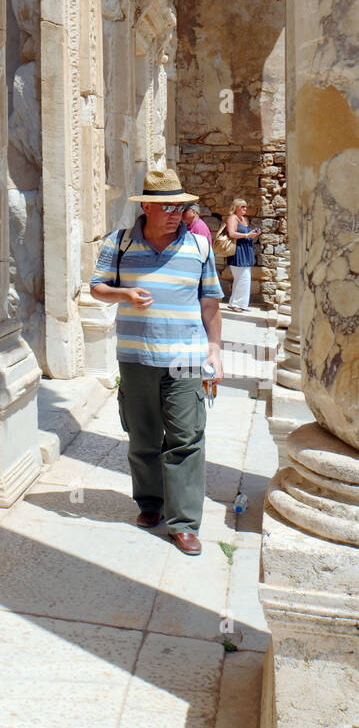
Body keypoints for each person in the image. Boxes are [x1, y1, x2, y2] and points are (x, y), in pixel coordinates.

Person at [90, 168, 224, 556]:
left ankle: (183, 523)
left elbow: (210, 303)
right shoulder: (118, 243)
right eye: (166, 206)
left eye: (181, 207)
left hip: (185, 359)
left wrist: (214, 349)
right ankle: (150, 505)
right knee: (143, 436)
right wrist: (125, 295)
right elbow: (97, 288)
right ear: (146, 206)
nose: (175, 213)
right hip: (135, 357)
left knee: (186, 436)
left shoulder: (199, 248)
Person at [225, 197, 260, 312]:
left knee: (242, 278)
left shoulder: (244, 219)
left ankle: (235, 303)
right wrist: (246, 235)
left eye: (246, 206)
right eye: (242, 207)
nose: (245, 209)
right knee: (243, 278)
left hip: (246, 250)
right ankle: (237, 304)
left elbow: (246, 233)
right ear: (236, 208)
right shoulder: (233, 218)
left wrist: (253, 234)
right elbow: (231, 233)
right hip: (238, 251)